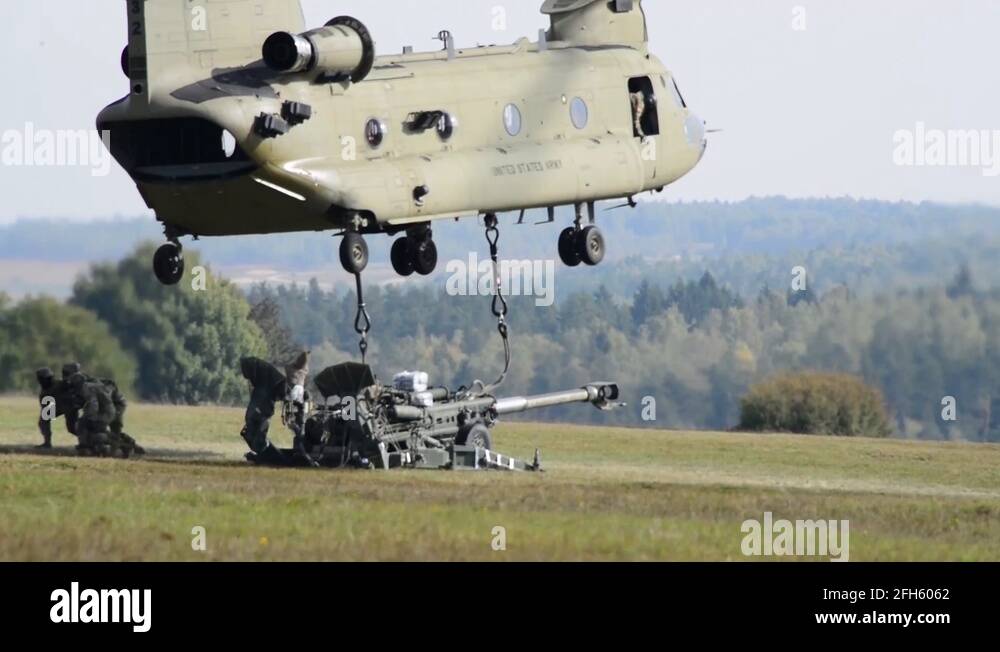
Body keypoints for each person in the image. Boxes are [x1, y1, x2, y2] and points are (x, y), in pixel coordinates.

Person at [240, 357, 288, 464]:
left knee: (258, 437)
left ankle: (276, 458)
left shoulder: (266, 386)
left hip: (263, 414)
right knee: (254, 435)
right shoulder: (265, 383)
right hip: (262, 413)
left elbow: (263, 406)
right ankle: (265, 455)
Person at [68, 373, 115, 457]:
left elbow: (93, 405)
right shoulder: (87, 387)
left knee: (86, 426)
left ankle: (89, 445)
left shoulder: (86, 389)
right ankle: (95, 445)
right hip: (105, 411)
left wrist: (87, 417)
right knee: (92, 428)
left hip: (104, 412)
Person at [35, 367, 78, 449]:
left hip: (69, 406)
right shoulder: (44, 393)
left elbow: (72, 386)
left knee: (72, 428)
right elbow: (45, 408)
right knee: (43, 421)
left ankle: (87, 441)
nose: (43, 381)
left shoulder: (61, 384)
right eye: (41, 379)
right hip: (57, 407)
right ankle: (47, 443)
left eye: (46, 378)